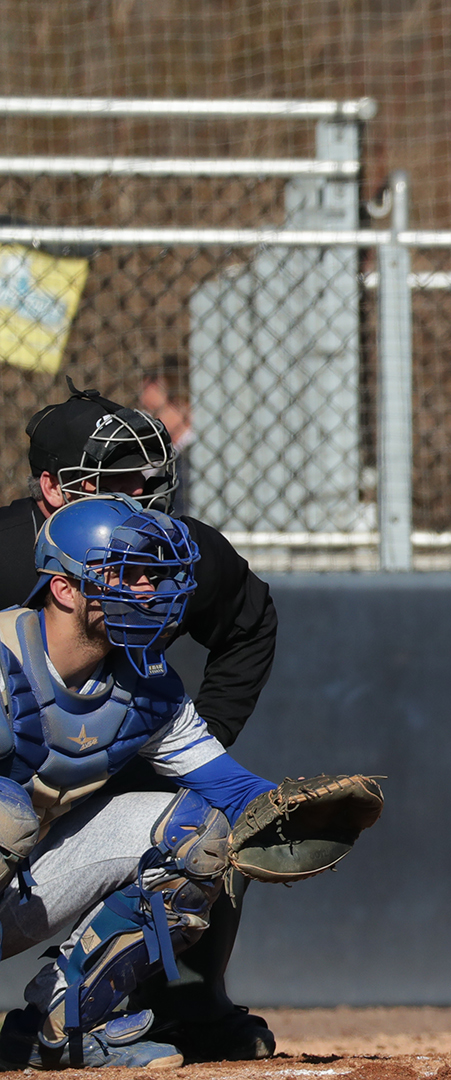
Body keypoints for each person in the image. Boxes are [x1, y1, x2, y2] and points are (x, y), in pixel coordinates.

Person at [0, 385, 278, 1060]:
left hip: (41, 860)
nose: (152, 590)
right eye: (128, 574)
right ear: (63, 585)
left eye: (155, 575)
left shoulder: (150, 687)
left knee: (200, 828)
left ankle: (64, 1028)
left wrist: (289, 815)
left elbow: (235, 790)